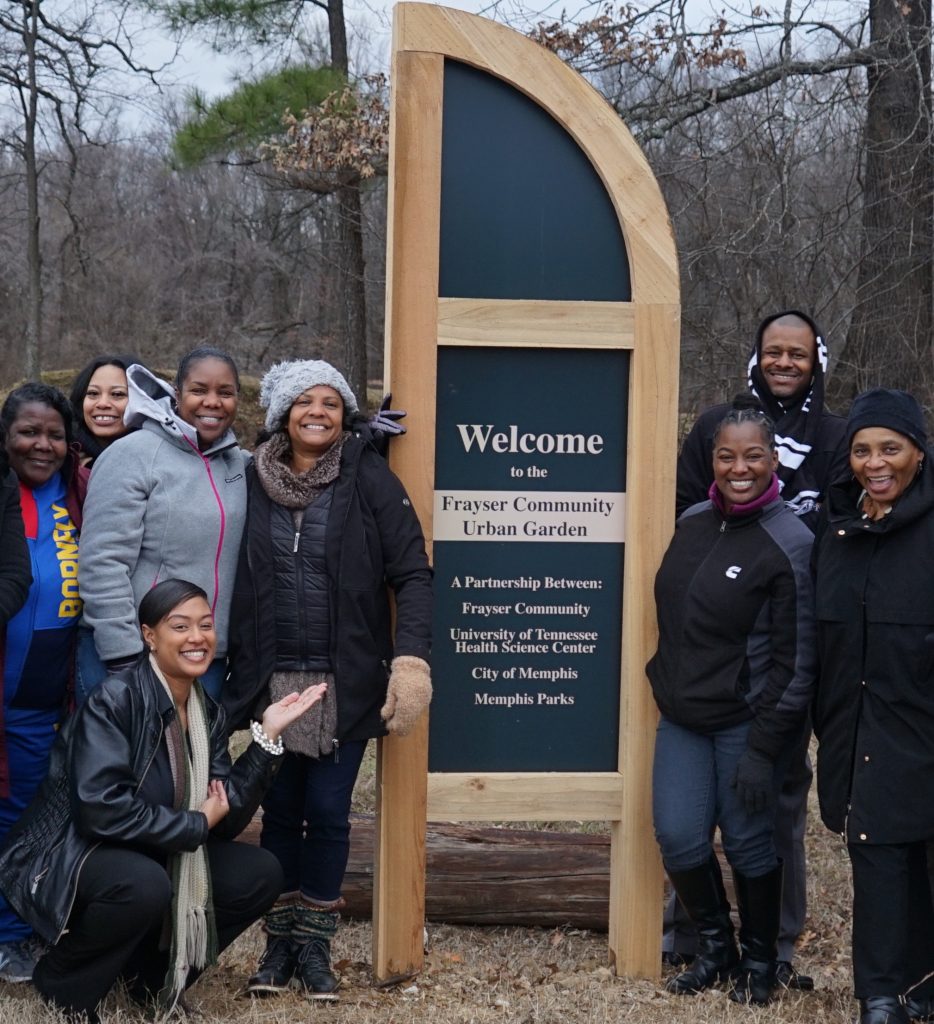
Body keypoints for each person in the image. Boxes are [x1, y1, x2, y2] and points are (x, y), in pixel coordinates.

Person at [0, 578, 325, 1022]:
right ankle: (64, 982)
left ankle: (149, 980)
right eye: (180, 626)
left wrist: (266, 739)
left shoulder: (205, 711)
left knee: (260, 873)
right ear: (149, 636)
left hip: (154, 848)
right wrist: (194, 824)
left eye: (206, 625)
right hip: (73, 854)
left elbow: (223, 820)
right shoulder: (114, 700)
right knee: (143, 884)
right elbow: (100, 810)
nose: (197, 638)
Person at [223, 359, 433, 1000]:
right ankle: (277, 949)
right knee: (280, 813)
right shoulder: (250, 482)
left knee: (328, 813)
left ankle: (315, 947)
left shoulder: (368, 477)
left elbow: (413, 575)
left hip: (346, 682)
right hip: (271, 679)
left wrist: (411, 661)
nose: (317, 412)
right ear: (282, 414)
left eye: (331, 403)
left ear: (346, 415)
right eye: (303, 402)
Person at [668, 310, 846, 988]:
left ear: (816, 361)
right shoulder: (717, 423)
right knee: (689, 809)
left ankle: (780, 943)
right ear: (756, 356)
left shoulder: (834, 436)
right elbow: (686, 511)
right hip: (712, 634)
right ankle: (689, 933)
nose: (784, 362)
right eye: (773, 351)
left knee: (775, 794)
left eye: (797, 353)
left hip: (791, 632)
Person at [648, 401, 816, 1006]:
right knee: (678, 836)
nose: (738, 467)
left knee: (748, 843)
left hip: (748, 723)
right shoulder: (693, 520)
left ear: (773, 461)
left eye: (752, 456)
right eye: (726, 455)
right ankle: (714, 949)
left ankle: (762, 961)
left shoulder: (790, 539)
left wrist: (764, 749)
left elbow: (798, 661)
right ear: (712, 460)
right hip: (683, 717)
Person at [812, 389, 934, 1024]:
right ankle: (880, 996)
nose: (875, 462)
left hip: (922, 721)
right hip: (856, 726)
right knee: (876, 853)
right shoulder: (834, 531)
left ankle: (921, 986)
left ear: (918, 451)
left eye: (891, 448)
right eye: (862, 450)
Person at [77, 346, 246, 703]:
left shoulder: (237, 465)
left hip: (204, 658)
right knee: (123, 760)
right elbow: (101, 562)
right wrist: (122, 657)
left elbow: (294, 467)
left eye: (225, 392)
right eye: (199, 390)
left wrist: (358, 442)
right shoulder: (132, 454)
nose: (212, 402)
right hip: (134, 655)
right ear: (177, 392)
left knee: (194, 760)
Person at [0, 383, 88, 983]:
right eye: (29, 432)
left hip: (39, 697)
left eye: (54, 433)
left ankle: (10, 938)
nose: (43, 444)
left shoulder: (81, 491)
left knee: (23, 816)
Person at [68, 354, 141, 468]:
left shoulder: (162, 458)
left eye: (117, 394)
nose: (102, 404)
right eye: (93, 393)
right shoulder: (61, 461)